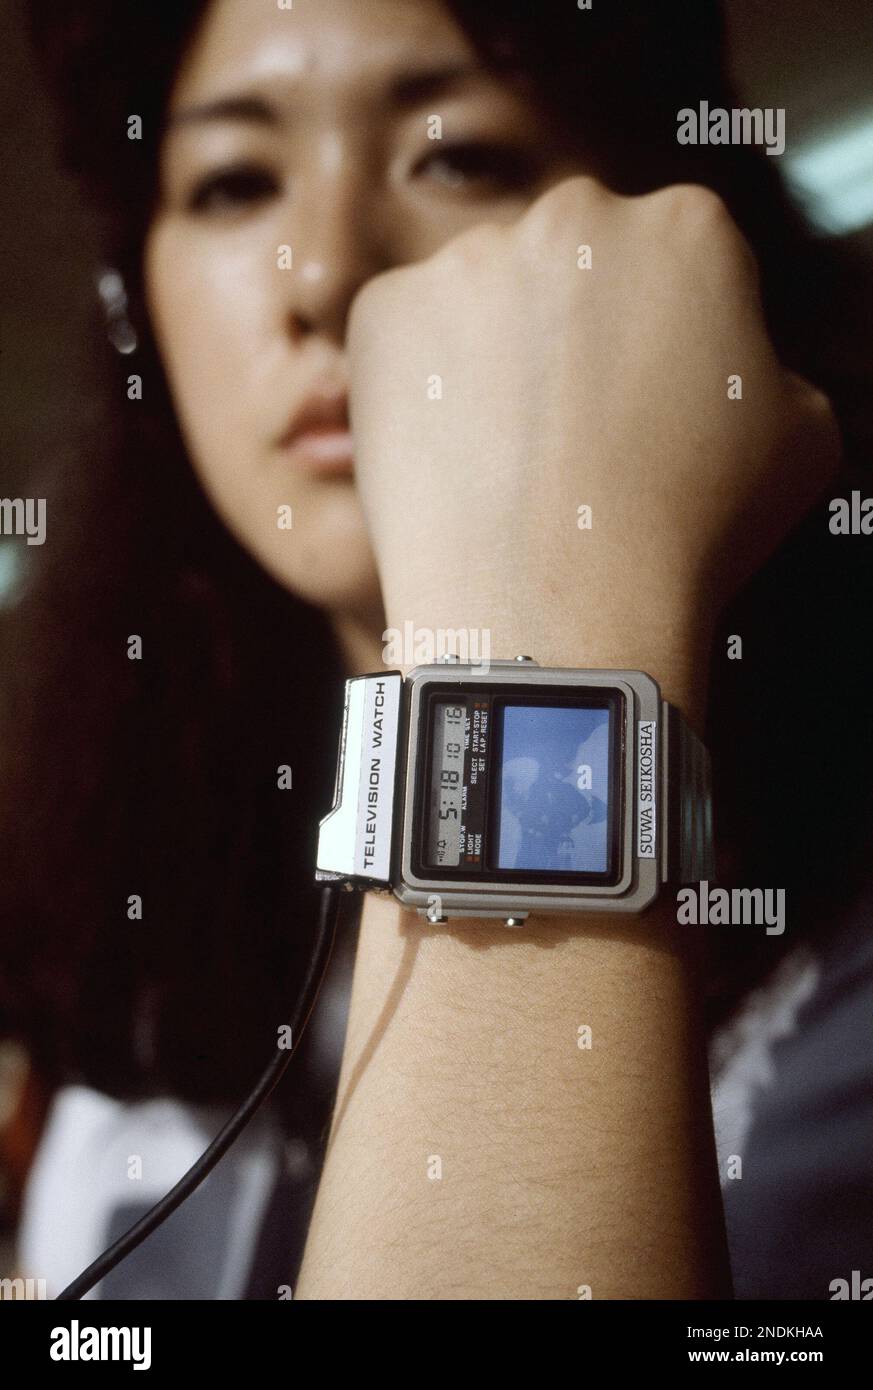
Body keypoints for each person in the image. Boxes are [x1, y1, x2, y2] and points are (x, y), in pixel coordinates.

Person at [1, 0, 870, 1299]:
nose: (324, 271)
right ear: (136, 303)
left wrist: (541, 595)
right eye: (235, 181)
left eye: (459, 154)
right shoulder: (140, 926)